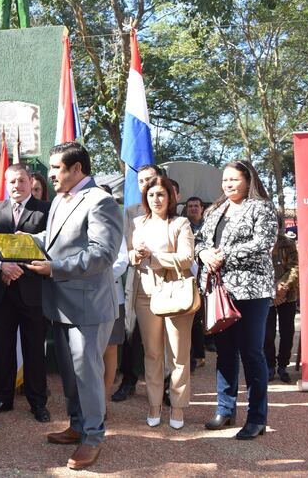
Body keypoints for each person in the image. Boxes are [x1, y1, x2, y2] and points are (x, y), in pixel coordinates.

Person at [26, 142, 122, 470]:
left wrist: (55, 268)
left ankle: (93, 437)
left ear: (77, 169)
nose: (50, 174)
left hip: (88, 307)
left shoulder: (101, 202)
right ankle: (78, 425)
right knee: (70, 373)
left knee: (87, 374)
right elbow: (53, 240)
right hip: (60, 304)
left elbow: (102, 254)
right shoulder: (59, 200)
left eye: (56, 168)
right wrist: (24, 241)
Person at [195, 160, 278, 440]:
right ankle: (225, 409)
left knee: (252, 352)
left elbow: (263, 243)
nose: (228, 184)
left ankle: (257, 418)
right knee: (225, 351)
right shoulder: (215, 210)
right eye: (225, 180)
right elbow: (199, 241)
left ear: (248, 179)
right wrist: (204, 254)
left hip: (252, 291)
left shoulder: (262, 207)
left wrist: (224, 254)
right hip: (219, 290)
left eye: (234, 179)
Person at [0, 163, 50, 423]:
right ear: (5, 184)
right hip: (1, 290)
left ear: (30, 182)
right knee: (3, 347)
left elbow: (53, 244)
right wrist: (1, 266)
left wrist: (21, 266)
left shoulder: (46, 210)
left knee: (34, 349)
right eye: (11, 182)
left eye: (21, 181)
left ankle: (37, 402)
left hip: (33, 292)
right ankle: (2, 399)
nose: (16, 186)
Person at [127, 176, 196, 429]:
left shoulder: (181, 223)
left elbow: (187, 258)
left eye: (161, 195)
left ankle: (177, 407)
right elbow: (128, 255)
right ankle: (154, 404)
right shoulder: (136, 223)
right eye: (151, 194)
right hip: (145, 294)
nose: (156, 199)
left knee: (178, 355)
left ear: (170, 197)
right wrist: (135, 255)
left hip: (175, 293)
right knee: (152, 354)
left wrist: (154, 257)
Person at [112, 163, 165, 402]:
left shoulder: (172, 213)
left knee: (163, 335)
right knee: (130, 331)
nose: (145, 185)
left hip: (166, 280)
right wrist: (134, 254)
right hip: (137, 279)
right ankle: (129, 380)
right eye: (142, 181)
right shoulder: (131, 212)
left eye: (150, 180)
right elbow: (124, 248)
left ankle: (165, 386)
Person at [97, 185, 128, 411]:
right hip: (87, 299)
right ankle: (90, 400)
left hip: (111, 296)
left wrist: (98, 275)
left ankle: (103, 401)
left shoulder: (117, 226)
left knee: (109, 349)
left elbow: (122, 260)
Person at [265, 230, 299, 383]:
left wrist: (282, 287)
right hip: (266, 294)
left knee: (287, 332)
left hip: (287, 294)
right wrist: (273, 292)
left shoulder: (288, 243)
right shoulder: (261, 242)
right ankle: (269, 366)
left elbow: (295, 268)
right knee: (267, 333)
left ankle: (283, 366)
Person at [185, 196, 209, 364]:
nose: (193, 208)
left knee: (204, 316)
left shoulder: (209, 226)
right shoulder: (183, 226)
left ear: (202, 208)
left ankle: (202, 351)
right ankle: (195, 355)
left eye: (196, 206)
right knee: (192, 317)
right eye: (190, 206)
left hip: (208, 274)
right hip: (189, 276)